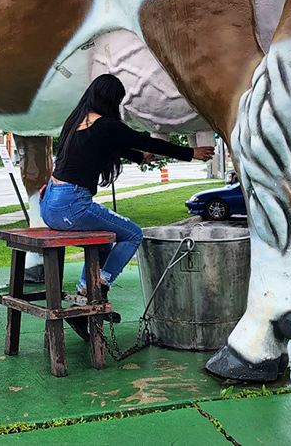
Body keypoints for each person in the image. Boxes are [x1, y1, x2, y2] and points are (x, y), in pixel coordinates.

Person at [40, 74, 214, 337]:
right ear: (111, 100)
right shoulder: (108, 126)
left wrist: (138, 157)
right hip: (71, 205)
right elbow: (148, 141)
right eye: (118, 101)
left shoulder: (76, 120)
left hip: (50, 205)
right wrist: (192, 153)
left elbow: (111, 146)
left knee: (102, 244)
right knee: (133, 233)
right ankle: (101, 286)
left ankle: (85, 298)